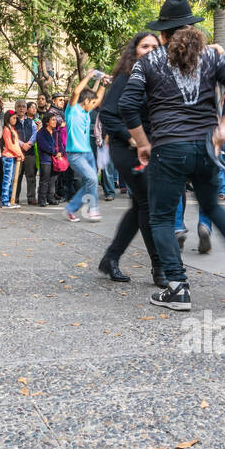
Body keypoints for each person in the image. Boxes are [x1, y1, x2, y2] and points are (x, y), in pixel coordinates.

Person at [118, 0, 225, 310]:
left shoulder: (148, 62)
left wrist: (143, 143)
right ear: (191, 28)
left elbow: (126, 105)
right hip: (204, 147)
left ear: (162, 34)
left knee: (160, 217)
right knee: (212, 206)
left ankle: (177, 287)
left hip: (168, 148)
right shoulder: (211, 57)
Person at [97, 30, 162, 284]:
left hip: (148, 149)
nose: (150, 51)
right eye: (144, 46)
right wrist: (132, 138)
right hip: (127, 150)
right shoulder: (126, 77)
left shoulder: (156, 78)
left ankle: (110, 258)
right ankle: (159, 267)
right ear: (134, 51)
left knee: (140, 206)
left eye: (155, 47)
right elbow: (109, 115)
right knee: (147, 203)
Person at [64, 72, 108, 222]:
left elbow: (98, 99)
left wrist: (103, 84)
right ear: (86, 100)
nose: (94, 105)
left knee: (91, 181)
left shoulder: (86, 112)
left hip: (88, 153)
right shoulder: (72, 110)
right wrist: (90, 75)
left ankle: (75, 208)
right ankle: (91, 209)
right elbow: (76, 92)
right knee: (92, 179)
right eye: (92, 102)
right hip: (75, 154)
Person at [36, 112, 65, 205]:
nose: (55, 121)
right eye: (53, 120)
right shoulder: (41, 133)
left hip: (55, 160)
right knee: (44, 180)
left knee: (53, 180)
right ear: (47, 122)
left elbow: (61, 145)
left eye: (55, 120)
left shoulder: (56, 133)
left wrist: (61, 152)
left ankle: (50, 198)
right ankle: (42, 199)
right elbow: (44, 146)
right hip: (46, 160)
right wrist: (55, 152)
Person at [0, 108, 25, 208]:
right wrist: (20, 153)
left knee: (12, 180)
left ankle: (11, 200)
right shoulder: (6, 129)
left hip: (14, 157)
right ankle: (5, 201)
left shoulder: (12, 129)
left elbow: (16, 144)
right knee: (7, 179)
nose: (15, 120)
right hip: (8, 157)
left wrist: (19, 153)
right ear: (8, 118)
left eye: (16, 118)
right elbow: (10, 145)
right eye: (14, 118)